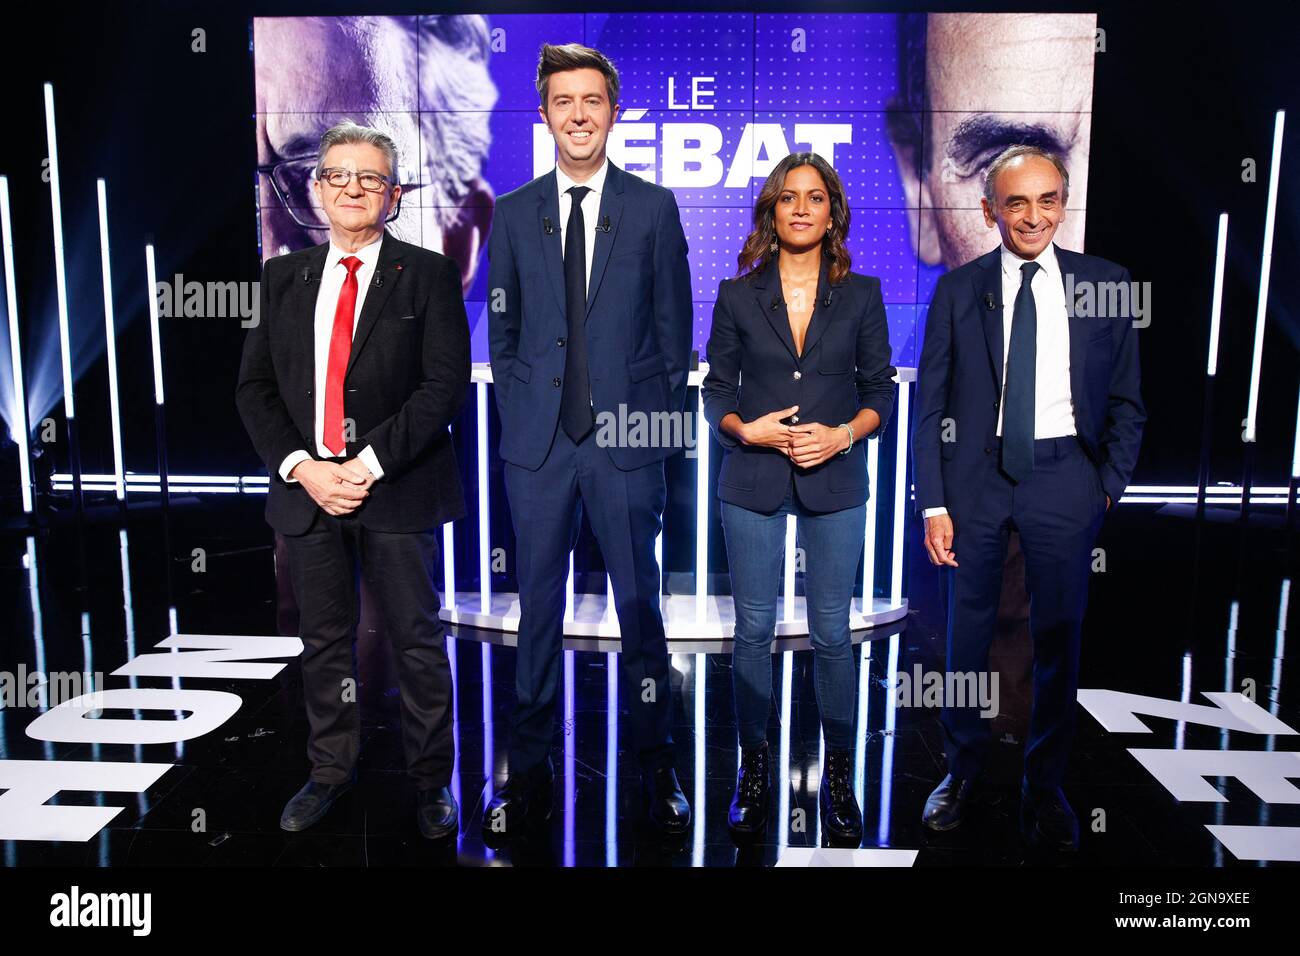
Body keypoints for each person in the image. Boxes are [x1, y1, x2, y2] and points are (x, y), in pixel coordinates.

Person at [236, 120, 471, 839]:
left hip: (395, 489)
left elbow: (442, 387)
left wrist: (361, 466)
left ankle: (433, 781)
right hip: (307, 497)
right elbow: (255, 390)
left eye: (370, 178)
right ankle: (329, 772)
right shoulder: (282, 278)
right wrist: (305, 468)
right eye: (338, 174)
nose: (352, 188)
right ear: (317, 187)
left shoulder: (427, 274)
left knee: (416, 641)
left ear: (393, 194)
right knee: (324, 642)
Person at [484, 43, 694, 841]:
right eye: (563, 101)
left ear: (613, 111)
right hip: (538, 450)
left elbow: (676, 339)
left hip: (627, 449)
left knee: (641, 616)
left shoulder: (652, 208)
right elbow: (503, 333)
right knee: (536, 614)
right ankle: (526, 773)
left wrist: (650, 427)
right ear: (545, 115)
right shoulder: (513, 211)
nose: (578, 114)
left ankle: (656, 765)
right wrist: (524, 406)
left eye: (592, 101)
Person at [911, 144, 1144, 851]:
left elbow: (1129, 405)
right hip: (976, 483)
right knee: (966, 637)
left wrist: (1103, 490)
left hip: (1065, 479)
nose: (1033, 216)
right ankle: (961, 771)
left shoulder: (1106, 284)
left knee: (1058, 639)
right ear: (990, 211)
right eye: (1016, 202)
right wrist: (934, 503)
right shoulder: (959, 289)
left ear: (1061, 205)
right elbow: (932, 405)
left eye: (1046, 200)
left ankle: (1044, 785)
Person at [703, 153, 897, 844]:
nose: (803, 208)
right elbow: (715, 391)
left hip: (836, 480)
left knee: (833, 634)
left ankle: (839, 775)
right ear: (771, 211)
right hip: (753, 478)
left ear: (833, 211)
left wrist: (844, 435)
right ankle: (752, 773)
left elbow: (881, 392)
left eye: (816, 198)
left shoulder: (864, 293)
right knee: (752, 630)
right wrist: (742, 429)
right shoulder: (736, 294)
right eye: (789, 198)